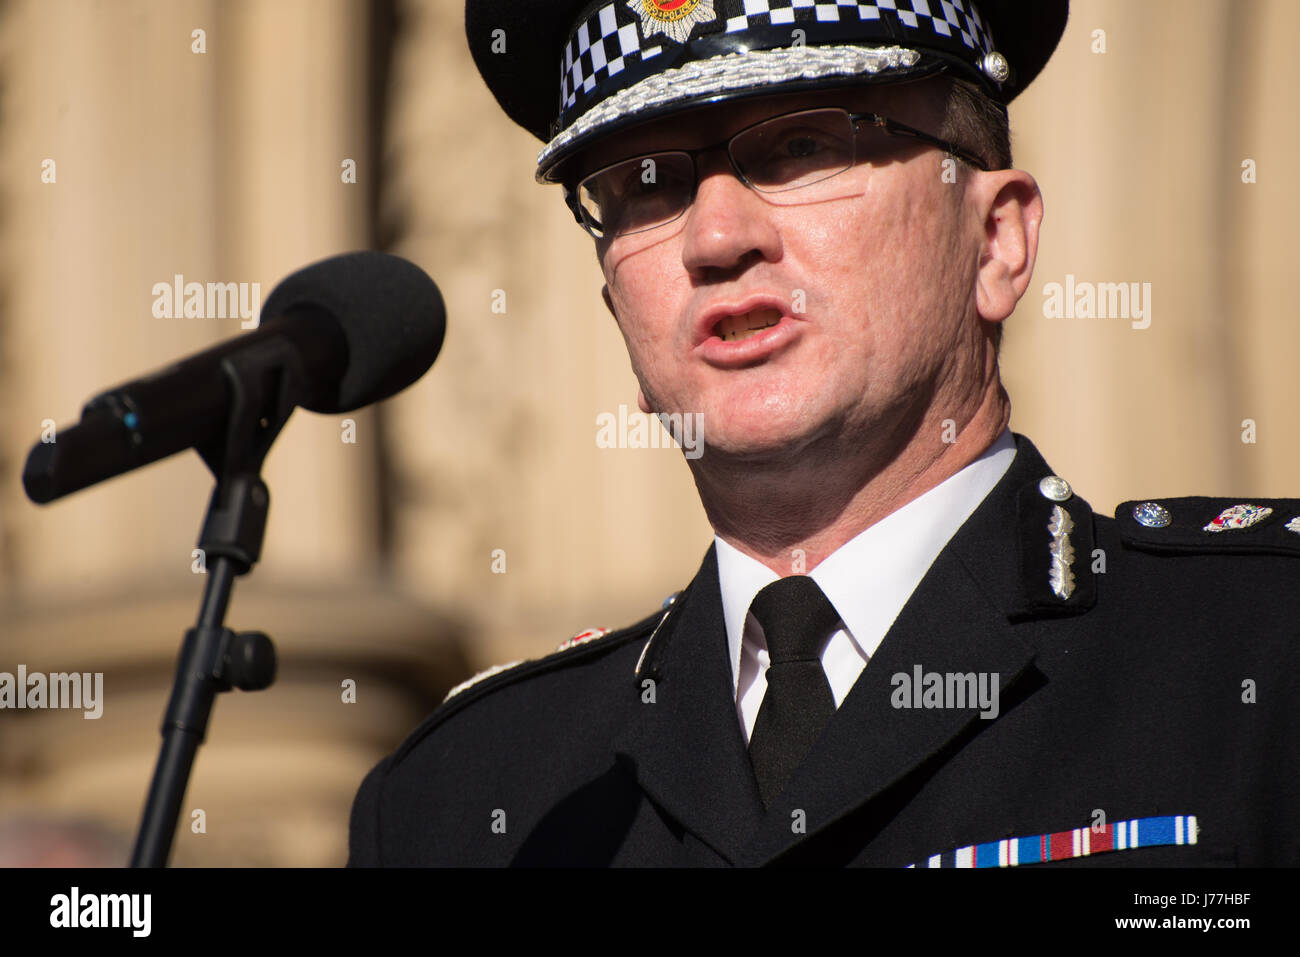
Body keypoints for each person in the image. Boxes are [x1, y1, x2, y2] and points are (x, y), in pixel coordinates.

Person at [348, 0, 1300, 867]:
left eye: (801, 148)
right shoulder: (472, 796)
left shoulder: (1258, 652)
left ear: (997, 240)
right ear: (617, 311)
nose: (715, 239)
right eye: (646, 183)